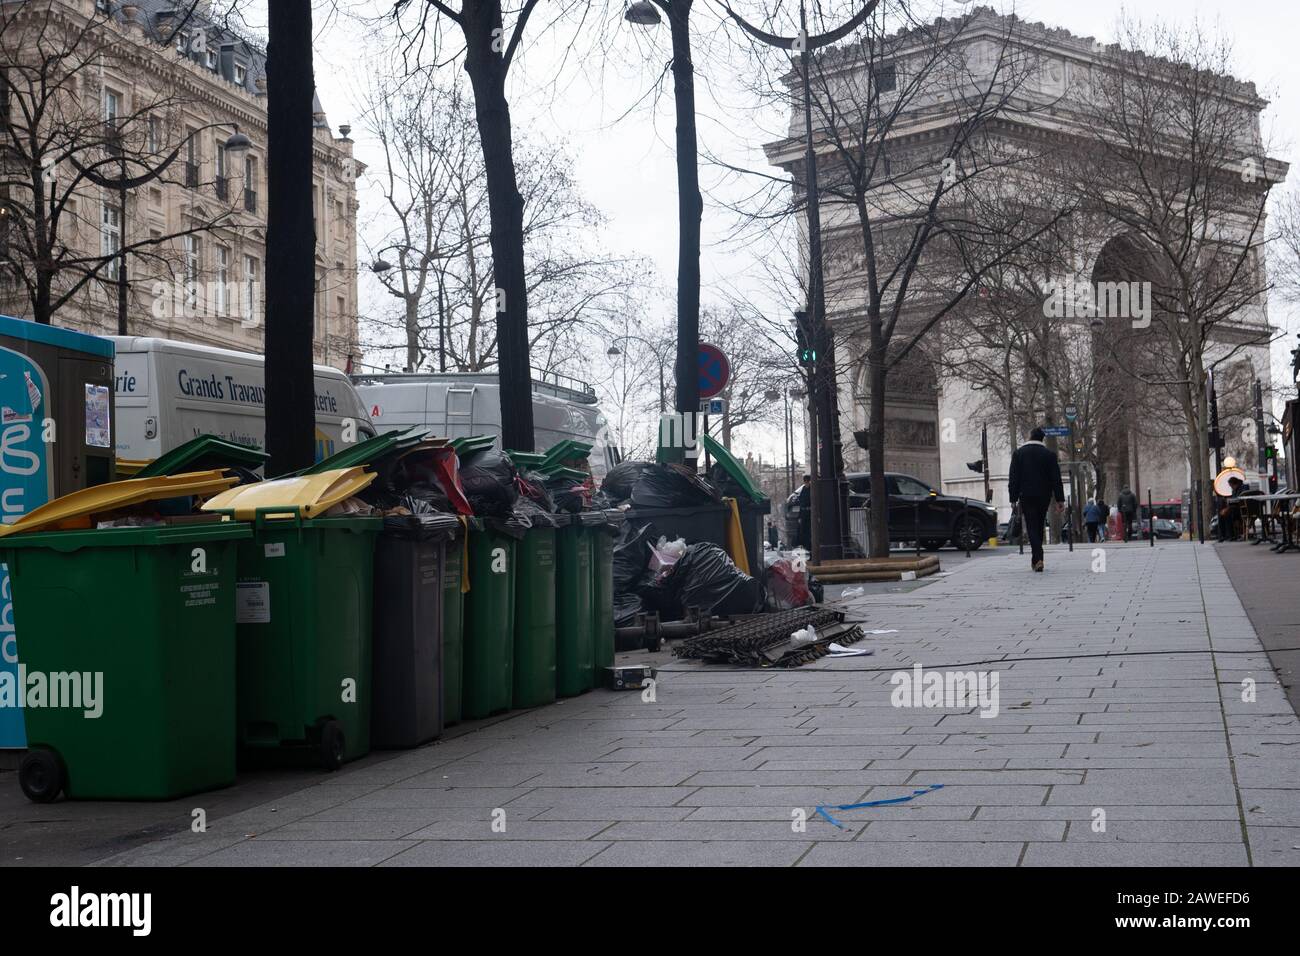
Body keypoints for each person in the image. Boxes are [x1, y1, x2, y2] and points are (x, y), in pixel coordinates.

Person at [1008, 427, 1066, 572]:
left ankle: (1038, 557)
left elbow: (1013, 478)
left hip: (1026, 495)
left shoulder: (1019, 454)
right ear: (1042, 439)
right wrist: (1060, 500)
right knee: (1039, 525)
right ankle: (1037, 559)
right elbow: (1056, 479)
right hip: (1044, 495)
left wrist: (1013, 498)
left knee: (1031, 525)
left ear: (1030, 437)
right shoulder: (1049, 455)